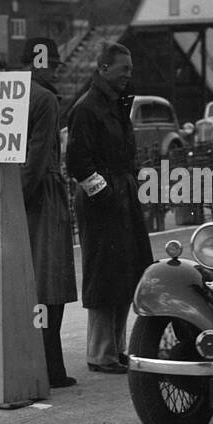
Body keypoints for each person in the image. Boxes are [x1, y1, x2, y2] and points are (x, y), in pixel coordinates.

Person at [66, 42, 153, 374]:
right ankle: (100, 353)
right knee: (104, 275)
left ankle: (116, 349)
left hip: (122, 193)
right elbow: (78, 163)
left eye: (129, 70)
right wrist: (105, 196)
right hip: (104, 200)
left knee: (126, 271)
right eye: (123, 70)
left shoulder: (116, 104)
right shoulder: (86, 109)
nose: (127, 77)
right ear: (103, 69)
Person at [20, 38, 79, 389]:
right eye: (52, 63)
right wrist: (25, 197)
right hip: (42, 196)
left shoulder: (8, 93)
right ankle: (51, 366)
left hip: (9, 196)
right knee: (50, 282)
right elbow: (39, 158)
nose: (57, 69)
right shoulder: (44, 99)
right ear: (37, 62)